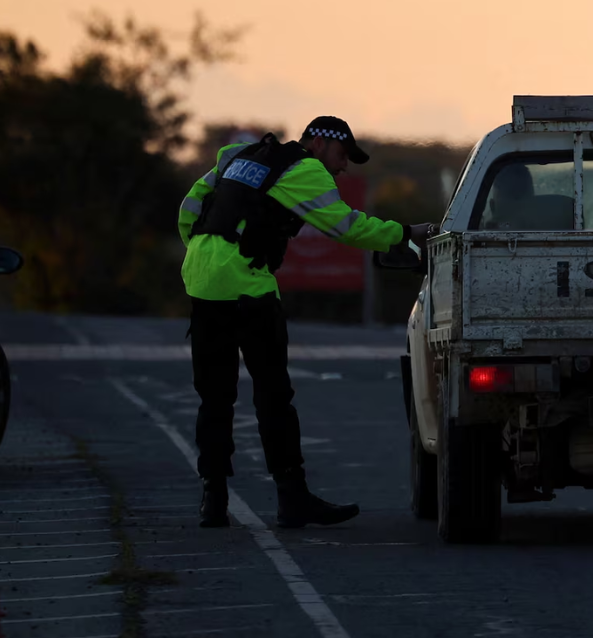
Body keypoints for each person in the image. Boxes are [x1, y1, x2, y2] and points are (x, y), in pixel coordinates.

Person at [178, 115, 434, 528]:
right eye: (341, 154)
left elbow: (189, 208)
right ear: (317, 143)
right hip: (248, 285)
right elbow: (346, 227)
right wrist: (406, 232)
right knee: (273, 395)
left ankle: (213, 499)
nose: (344, 166)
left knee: (215, 396)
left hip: (201, 281)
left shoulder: (237, 155)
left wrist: (202, 255)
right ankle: (292, 498)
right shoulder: (304, 169)